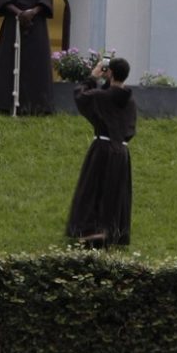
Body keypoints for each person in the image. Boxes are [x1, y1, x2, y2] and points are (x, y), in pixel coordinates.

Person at [66, 55, 135, 247]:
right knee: (115, 192)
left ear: (110, 73)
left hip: (102, 148)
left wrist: (93, 77)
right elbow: (113, 99)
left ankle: (89, 229)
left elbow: (81, 95)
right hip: (122, 152)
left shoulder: (101, 97)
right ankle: (111, 231)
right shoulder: (130, 101)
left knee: (93, 189)